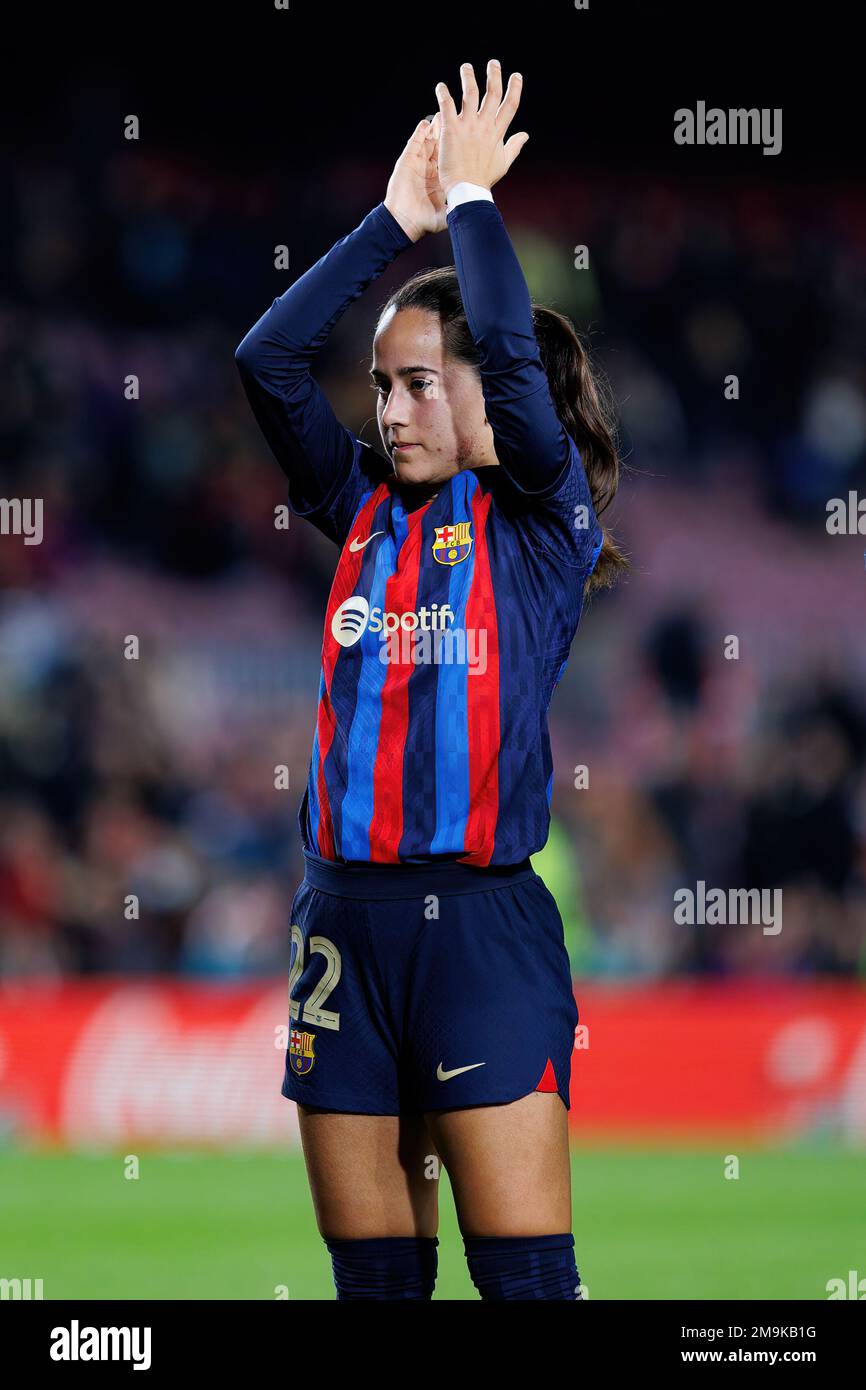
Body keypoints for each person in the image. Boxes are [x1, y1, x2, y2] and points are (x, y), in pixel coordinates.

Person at [234, 58, 626, 1300]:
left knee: (524, 1287)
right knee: (376, 1291)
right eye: (383, 385)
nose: (389, 410)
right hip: (340, 923)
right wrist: (392, 222)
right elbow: (267, 358)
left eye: (418, 386)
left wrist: (469, 204)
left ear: (486, 403)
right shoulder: (355, 503)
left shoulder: (534, 527)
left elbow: (511, 355)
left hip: (481, 933)